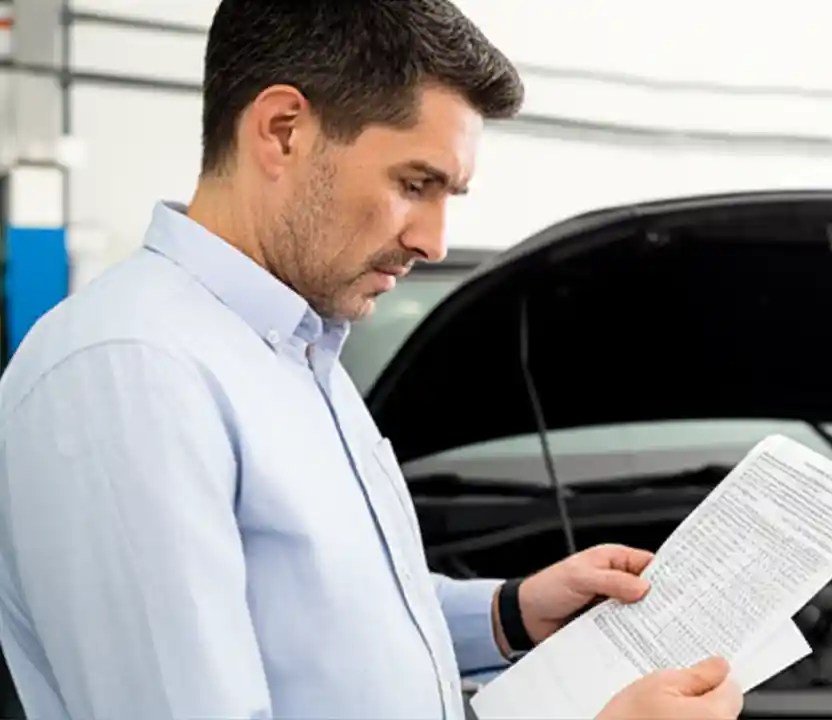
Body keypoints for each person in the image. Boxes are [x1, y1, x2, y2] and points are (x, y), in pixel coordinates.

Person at [0, 2, 743, 719]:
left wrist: (508, 613)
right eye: (414, 184)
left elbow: (322, 624)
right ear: (283, 131)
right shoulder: (130, 373)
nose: (435, 240)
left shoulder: (296, 350)